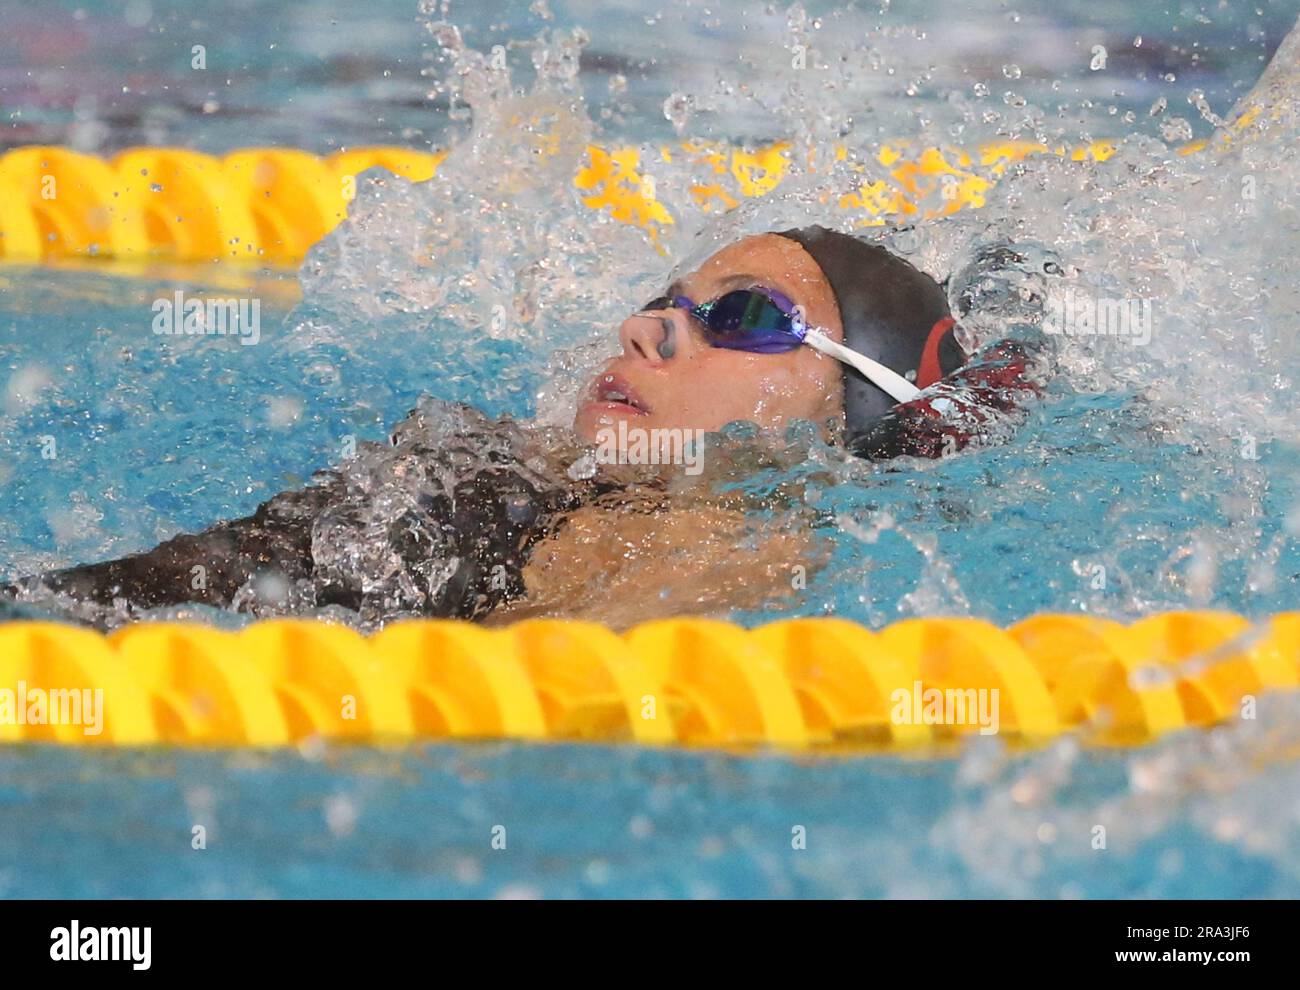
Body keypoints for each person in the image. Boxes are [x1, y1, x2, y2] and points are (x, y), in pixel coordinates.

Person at [1, 226, 1042, 629]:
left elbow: (518, 699)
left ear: (853, 409)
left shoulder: (730, 540)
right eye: (666, 300)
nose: (647, 329)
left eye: (745, 318)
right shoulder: (510, 458)